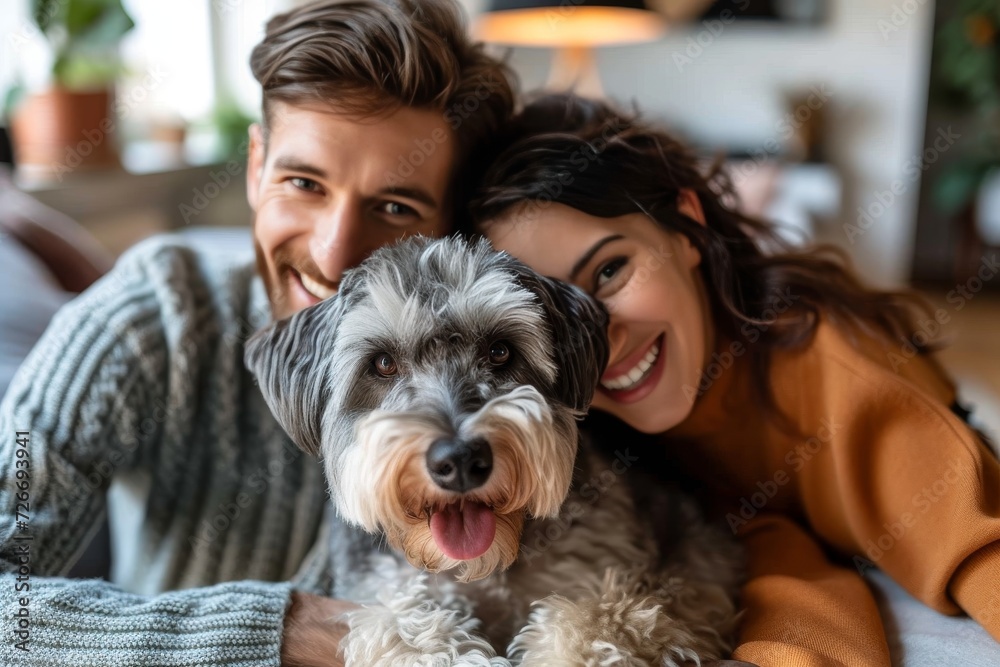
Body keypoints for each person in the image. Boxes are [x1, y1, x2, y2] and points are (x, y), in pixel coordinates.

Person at [0, 1, 515, 665]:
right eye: (304, 183)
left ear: (452, 224)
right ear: (255, 167)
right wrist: (284, 628)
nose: (333, 255)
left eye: (394, 207)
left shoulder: (498, 381)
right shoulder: (152, 320)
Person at [467, 92, 1000, 667]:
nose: (603, 340)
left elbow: (977, 543)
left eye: (611, 270)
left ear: (686, 227)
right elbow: (775, 550)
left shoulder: (837, 374)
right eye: (560, 317)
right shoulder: (578, 421)